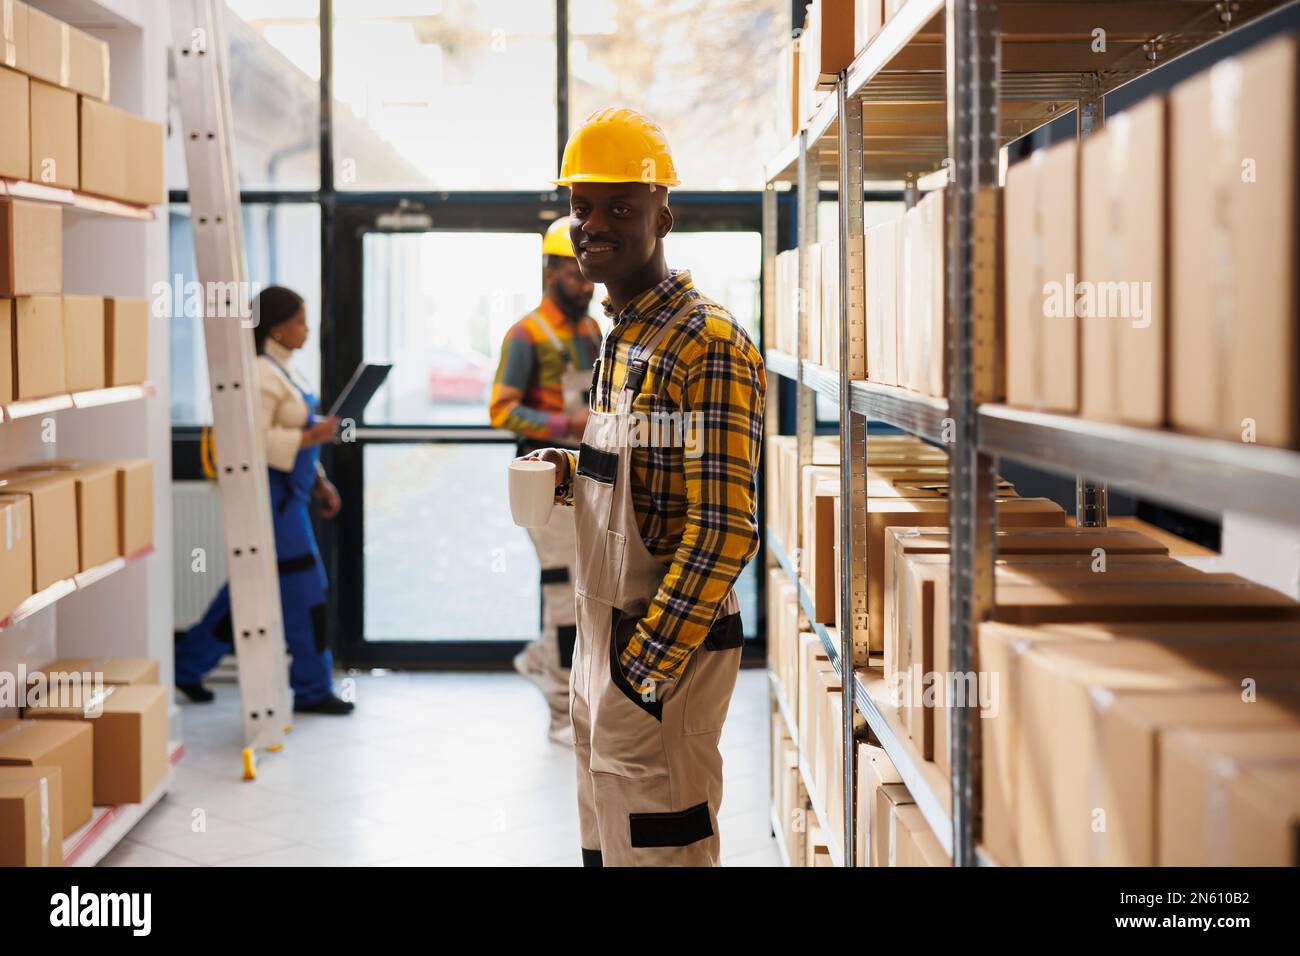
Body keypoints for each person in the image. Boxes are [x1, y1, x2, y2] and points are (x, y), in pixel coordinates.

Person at [530, 108, 765, 866]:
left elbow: (725, 529)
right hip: (603, 640)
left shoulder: (710, 341)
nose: (593, 225)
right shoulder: (623, 336)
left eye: (620, 208)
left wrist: (644, 669)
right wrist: (568, 473)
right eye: (582, 207)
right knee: (608, 837)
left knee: (662, 845)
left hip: (663, 655)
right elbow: (648, 475)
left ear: (664, 215)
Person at [175, 286, 353, 716]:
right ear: (276, 326)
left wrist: (320, 482)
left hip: (291, 497)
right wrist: (313, 437)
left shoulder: (286, 371)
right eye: (299, 321)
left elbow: (299, 431)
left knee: (246, 590)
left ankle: (187, 664)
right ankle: (312, 689)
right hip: (270, 502)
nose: (306, 330)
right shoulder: (258, 373)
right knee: (308, 592)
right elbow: (250, 442)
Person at [490, 218, 600, 746]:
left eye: (590, 276)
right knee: (563, 593)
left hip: (590, 475)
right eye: (576, 273)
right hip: (544, 478)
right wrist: (565, 427)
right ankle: (562, 712)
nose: (587, 283)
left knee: (582, 591)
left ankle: (539, 659)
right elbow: (501, 410)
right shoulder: (525, 334)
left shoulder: (592, 330)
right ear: (552, 270)